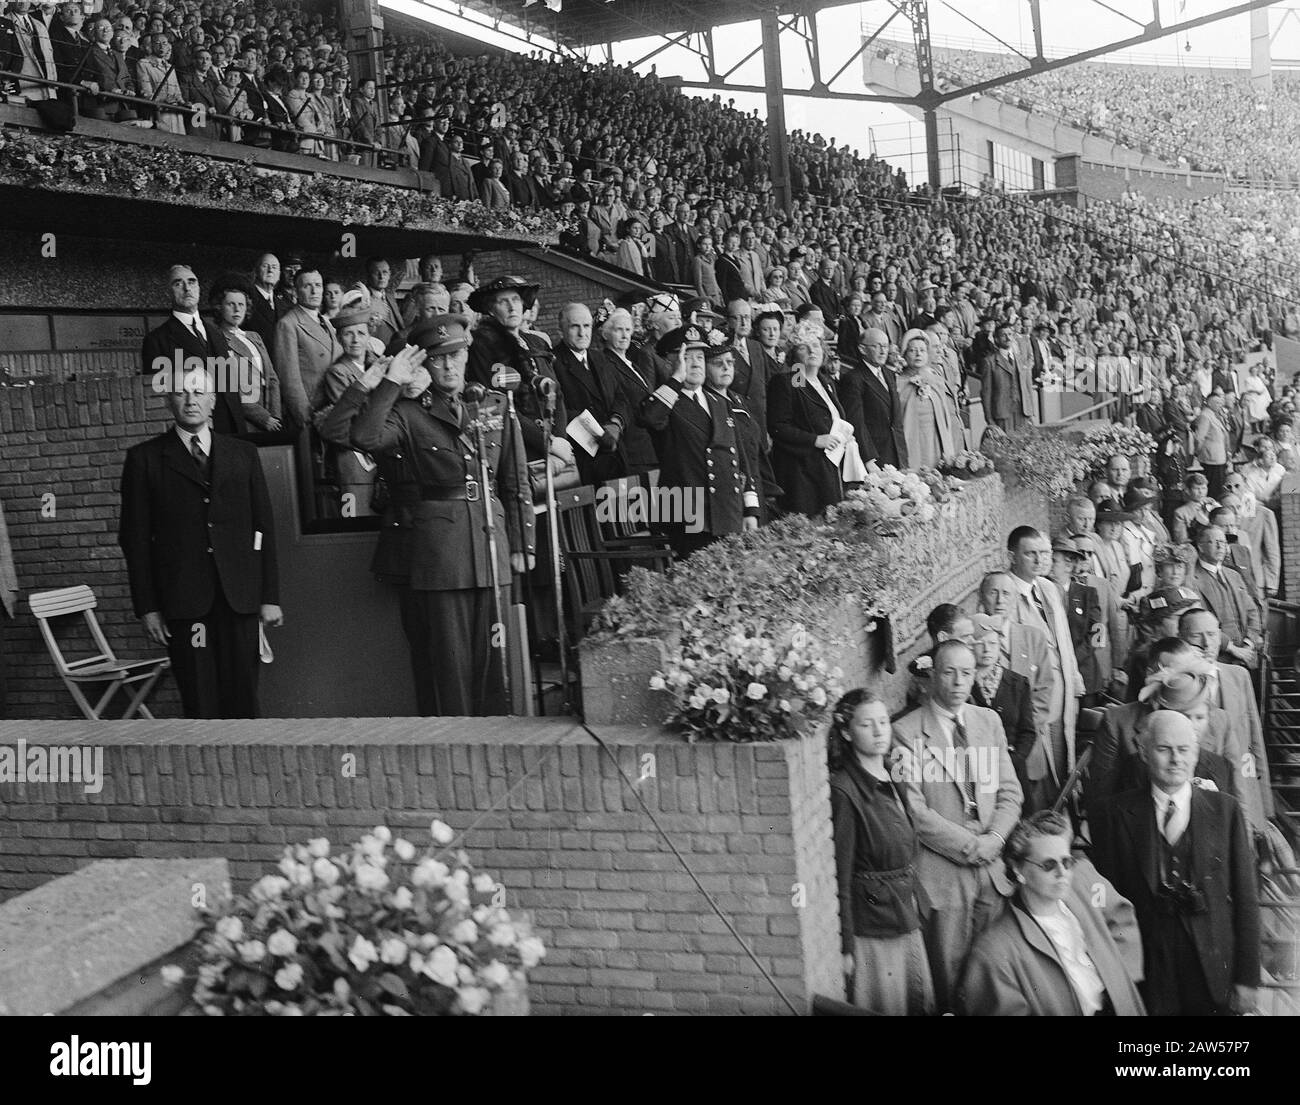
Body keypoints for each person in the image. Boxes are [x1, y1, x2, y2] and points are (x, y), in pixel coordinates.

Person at [350, 320, 535, 716]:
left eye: (455, 355)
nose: (449, 366)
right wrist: (391, 383)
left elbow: (515, 479)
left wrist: (523, 543)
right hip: (442, 555)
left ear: (467, 355)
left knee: (497, 665)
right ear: (425, 366)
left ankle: (497, 740)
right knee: (450, 669)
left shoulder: (494, 405)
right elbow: (364, 438)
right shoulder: (408, 412)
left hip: (491, 546)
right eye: (437, 360)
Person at [117, 369, 282, 719]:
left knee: (243, 696)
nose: (190, 400)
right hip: (186, 605)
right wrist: (148, 607)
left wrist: (269, 597)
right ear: (168, 401)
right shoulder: (145, 459)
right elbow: (135, 540)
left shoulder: (243, 454)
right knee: (200, 698)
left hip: (239, 601)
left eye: (198, 392)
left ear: (212, 401)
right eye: (181, 393)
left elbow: (263, 528)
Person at [1091, 710, 1260, 1016]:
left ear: (1196, 753)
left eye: (1184, 750)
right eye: (1164, 749)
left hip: (1212, 969)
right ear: (1144, 753)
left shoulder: (1226, 811)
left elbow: (1246, 898)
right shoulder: (1115, 814)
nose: (1176, 759)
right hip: (1147, 969)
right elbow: (1107, 907)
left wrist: (1247, 978)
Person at [893, 639, 1023, 1012]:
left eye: (966, 673)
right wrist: (971, 846)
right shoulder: (905, 731)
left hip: (993, 872)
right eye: (949, 672)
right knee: (950, 977)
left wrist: (995, 838)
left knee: (998, 971)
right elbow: (914, 811)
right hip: (944, 877)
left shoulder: (988, 721)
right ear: (932, 675)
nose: (958, 681)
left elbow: (1010, 792)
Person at [957, 810, 1146, 1016]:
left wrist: (1119, 983)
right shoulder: (995, 951)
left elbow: (1120, 914)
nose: (1062, 873)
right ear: (1018, 870)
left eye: (1066, 862)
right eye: (1048, 865)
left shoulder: (1084, 883)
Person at [828, 689, 935, 1016]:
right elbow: (841, 877)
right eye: (866, 725)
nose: (878, 732)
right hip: (874, 926)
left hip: (905, 912)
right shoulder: (844, 790)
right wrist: (847, 947)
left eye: (884, 722)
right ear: (847, 732)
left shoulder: (892, 771)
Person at [636, 324, 759, 557]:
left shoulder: (720, 403)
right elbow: (648, 417)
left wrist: (750, 508)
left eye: (700, 357)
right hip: (688, 517)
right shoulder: (667, 403)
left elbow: (740, 460)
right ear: (671, 363)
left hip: (728, 513)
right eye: (686, 358)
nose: (695, 364)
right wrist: (676, 379)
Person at [1007, 527, 1084, 805]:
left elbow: (1063, 638)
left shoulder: (1048, 588)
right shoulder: (1006, 593)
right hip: (1037, 696)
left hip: (1063, 691)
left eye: (1044, 553)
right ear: (1012, 556)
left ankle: (1062, 813)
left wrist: (1074, 678)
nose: (1040, 560)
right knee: (1041, 767)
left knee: (1064, 758)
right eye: (1031, 553)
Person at [1179, 606, 1273, 826]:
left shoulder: (1238, 676)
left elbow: (1254, 740)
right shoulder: (1175, 683)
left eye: (1212, 635)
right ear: (1181, 639)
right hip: (1197, 787)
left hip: (1240, 784)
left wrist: (1263, 800)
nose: (1207, 644)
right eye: (1197, 636)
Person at [466, 275, 571, 471]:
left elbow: (557, 394)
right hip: (519, 450)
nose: (512, 307)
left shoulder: (537, 343)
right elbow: (499, 405)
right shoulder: (483, 347)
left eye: (515, 299)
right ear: (491, 309)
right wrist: (546, 442)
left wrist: (560, 440)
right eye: (503, 302)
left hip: (557, 449)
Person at [141, 264, 247, 435]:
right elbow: (160, 400)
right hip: (194, 432)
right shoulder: (157, 340)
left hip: (230, 428)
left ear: (199, 288)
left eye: (192, 282)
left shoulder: (216, 332)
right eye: (178, 283)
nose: (187, 288)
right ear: (168, 292)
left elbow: (231, 388)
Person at [767, 337, 848, 519]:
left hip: (827, 466)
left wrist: (844, 435)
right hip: (801, 472)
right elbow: (778, 426)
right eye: (804, 347)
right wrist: (815, 440)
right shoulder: (791, 380)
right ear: (794, 353)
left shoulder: (826, 382)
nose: (812, 351)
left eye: (816, 345)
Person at [968, 613, 1040, 809]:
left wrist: (1012, 762)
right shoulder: (965, 685)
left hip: (1013, 772)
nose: (987, 650)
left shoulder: (1017, 683)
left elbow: (1028, 732)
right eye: (980, 644)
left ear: (999, 644)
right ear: (970, 647)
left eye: (992, 643)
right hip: (977, 775)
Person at [552, 302, 627, 486]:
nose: (582, 333)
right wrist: (600, 434)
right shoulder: (553, 362)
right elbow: (559, 410)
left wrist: (616, 423)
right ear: (561, 331)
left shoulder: (600, 357)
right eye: (575, 326)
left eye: (586, 326)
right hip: (584, 460)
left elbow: (620, 395)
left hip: (616, 455)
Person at [273, 267, 342, 430]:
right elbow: (290, 381)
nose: (314, 291)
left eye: (318, 285)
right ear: (296, 292)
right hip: (313, 414)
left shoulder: (327, 323)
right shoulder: (288, 324)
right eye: (307, 286)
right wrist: (307, 420)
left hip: (336, 410)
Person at [209, 277, 280, 433]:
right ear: (219, 307)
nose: (237, 310)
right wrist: (263, 418)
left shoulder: (254, 337)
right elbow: (229, 388)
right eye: (231, 304)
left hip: (270, 414)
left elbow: (272, 377)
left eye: (241, 304)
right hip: (244, 418)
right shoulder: (216, 340)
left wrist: (275, 416)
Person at [1191, 525, 1261, 669]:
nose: (1220, 547)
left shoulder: (1234, 575)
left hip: (1246, 656)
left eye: (1223, 542)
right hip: (1217, 659)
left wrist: (1248, 644)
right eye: (1213, 542)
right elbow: (1200, 621)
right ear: (1201, 547)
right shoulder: (1192, 579)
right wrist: (1231, 648)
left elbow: (1252, 612)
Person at [837, 326, 907, 469]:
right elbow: (856, 422)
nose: (883, 351)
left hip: (897, 451)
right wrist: (869, 459)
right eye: (876, 346)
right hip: (875, 455)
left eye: (885, 346)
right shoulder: (853, 378)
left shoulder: (889, 374)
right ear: (862, 349)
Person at [895, 328, 962, 469]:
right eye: (912, 350)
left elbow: (944, 417)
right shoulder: (898, 383)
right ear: (904, 354)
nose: (918, 354)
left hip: (935, 439)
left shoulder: (936, 380)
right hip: (911, 440)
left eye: (922, 350)